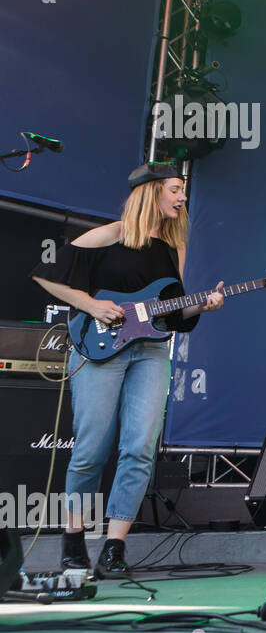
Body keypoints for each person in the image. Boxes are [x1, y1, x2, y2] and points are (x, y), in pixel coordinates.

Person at [31, 163, 224, 576]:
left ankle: (114, 546)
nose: (183, 197)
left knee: (139, 448)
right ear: (151, 192)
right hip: (98, 349)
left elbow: (172, 308)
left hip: (151, 351)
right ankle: (73, 540)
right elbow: (47, 276)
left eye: (183, 190)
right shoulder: (111, 234)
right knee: (91, 449)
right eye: (175, 189)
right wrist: (91, 304)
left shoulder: (174, 245)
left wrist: (201, 304)